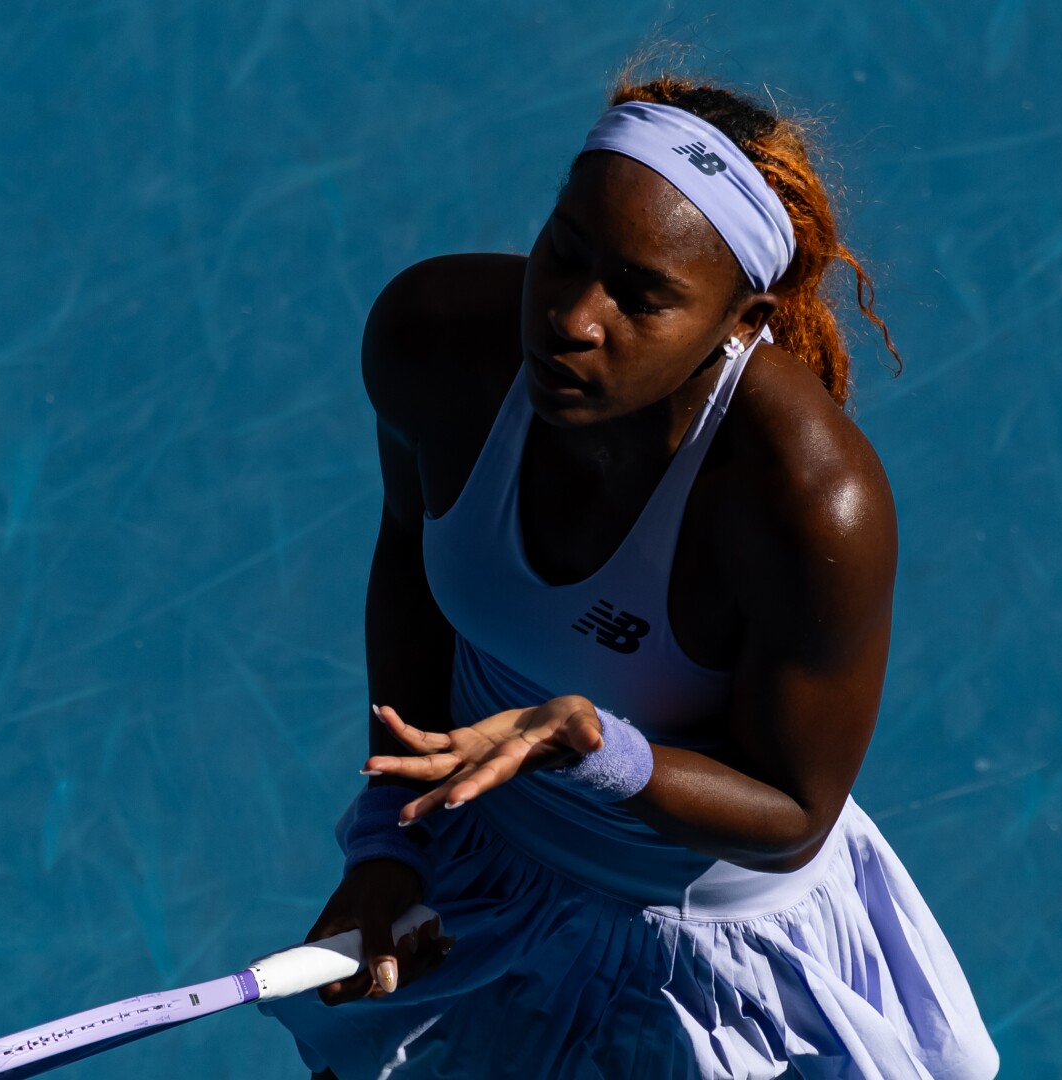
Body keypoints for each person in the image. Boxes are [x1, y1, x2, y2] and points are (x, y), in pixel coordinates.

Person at [257, 73, 1000, 1080]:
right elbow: (409, 574)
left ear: (741, 319)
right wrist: (391, 845)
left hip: (699, 958)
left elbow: (793, 813)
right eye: (565, 251)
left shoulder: (808, 500)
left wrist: (600, 748)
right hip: (482, 875)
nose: (570, 317)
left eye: (640, 296)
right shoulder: (433, 342)